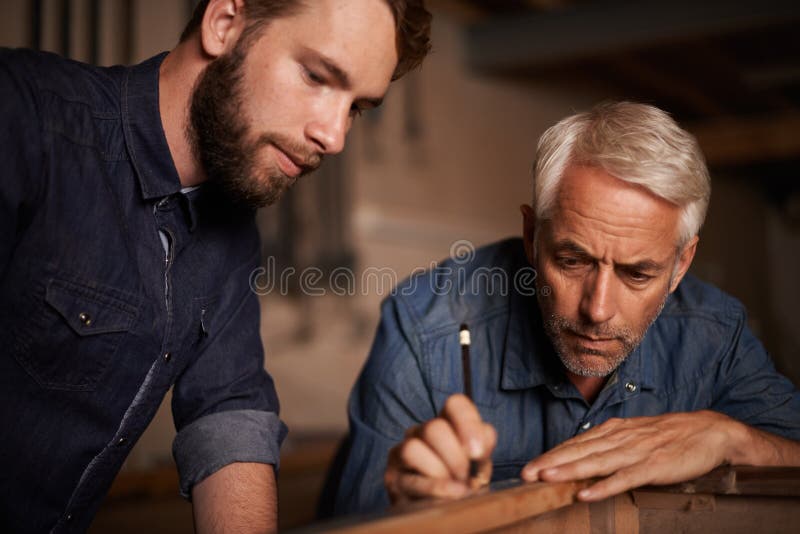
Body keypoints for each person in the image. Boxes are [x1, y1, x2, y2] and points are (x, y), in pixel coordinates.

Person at [0, 0, 430, 532]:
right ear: (224, 24)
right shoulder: (22, 117)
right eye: (317, 76)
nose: (334, 136)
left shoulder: (230, 226)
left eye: (358, 107)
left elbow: (229, 410)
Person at [329, 101, 800, 514]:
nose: (597, 310)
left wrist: (730, 437)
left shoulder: (716, 332)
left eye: (638, 274)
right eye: (572, 261)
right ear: (533, 237)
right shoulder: (426, 325)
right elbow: (354, 522)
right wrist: (411, 517)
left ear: (681, 264)